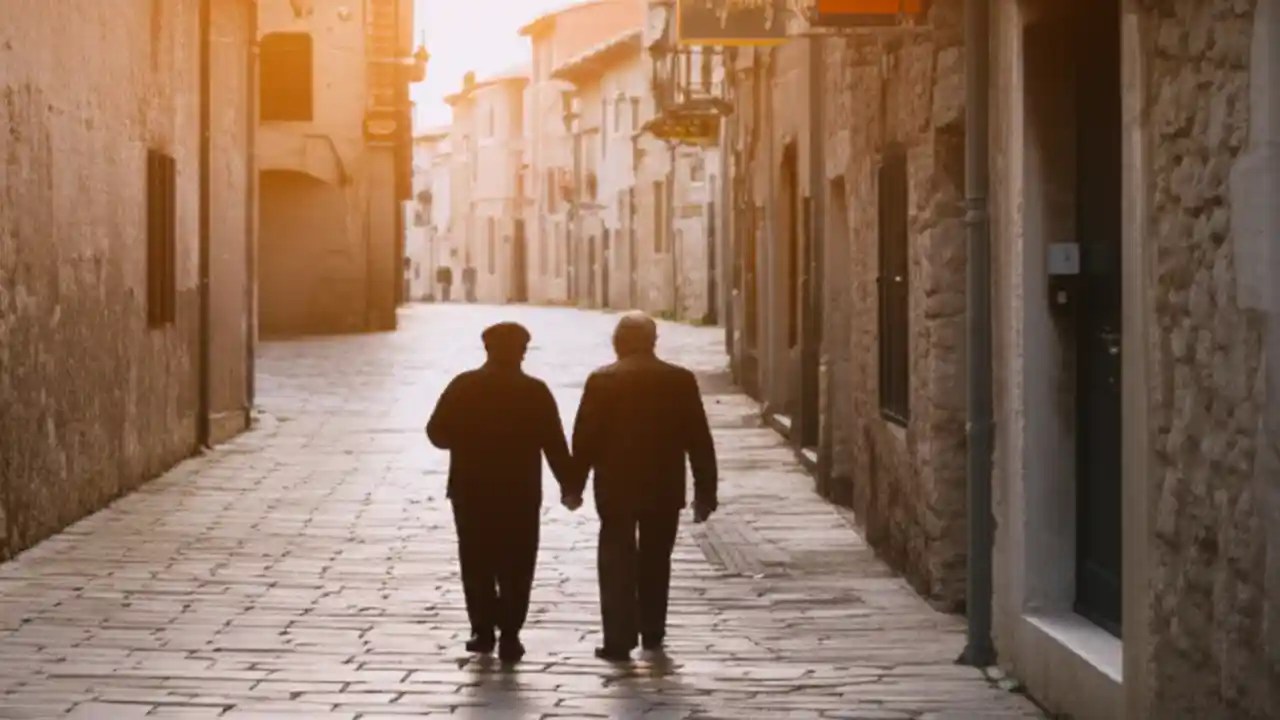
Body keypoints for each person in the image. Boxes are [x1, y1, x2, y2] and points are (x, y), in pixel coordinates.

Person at [565, 311, 718, 662]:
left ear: (618, 343)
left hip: (615, 487)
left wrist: (574, 485)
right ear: (653, 342)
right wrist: (705, 491)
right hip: (664, 487)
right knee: (656, 558)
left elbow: (584, 438)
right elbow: (698, 438)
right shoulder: (679, 380)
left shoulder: (602, 380)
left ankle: (618, 639)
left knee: (616, 559)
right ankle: (652, 630)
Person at [426, 322, 578, 663]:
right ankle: (510, 634)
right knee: (517, 562)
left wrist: (463, 442)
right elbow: (554, 443)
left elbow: (435, 432)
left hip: (471, 488)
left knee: (476, 559)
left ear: (488, 349)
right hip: (519, 492)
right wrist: (570, 485)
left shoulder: (463, 386)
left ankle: (481, 630)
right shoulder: (535, 391)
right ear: (521, 352)